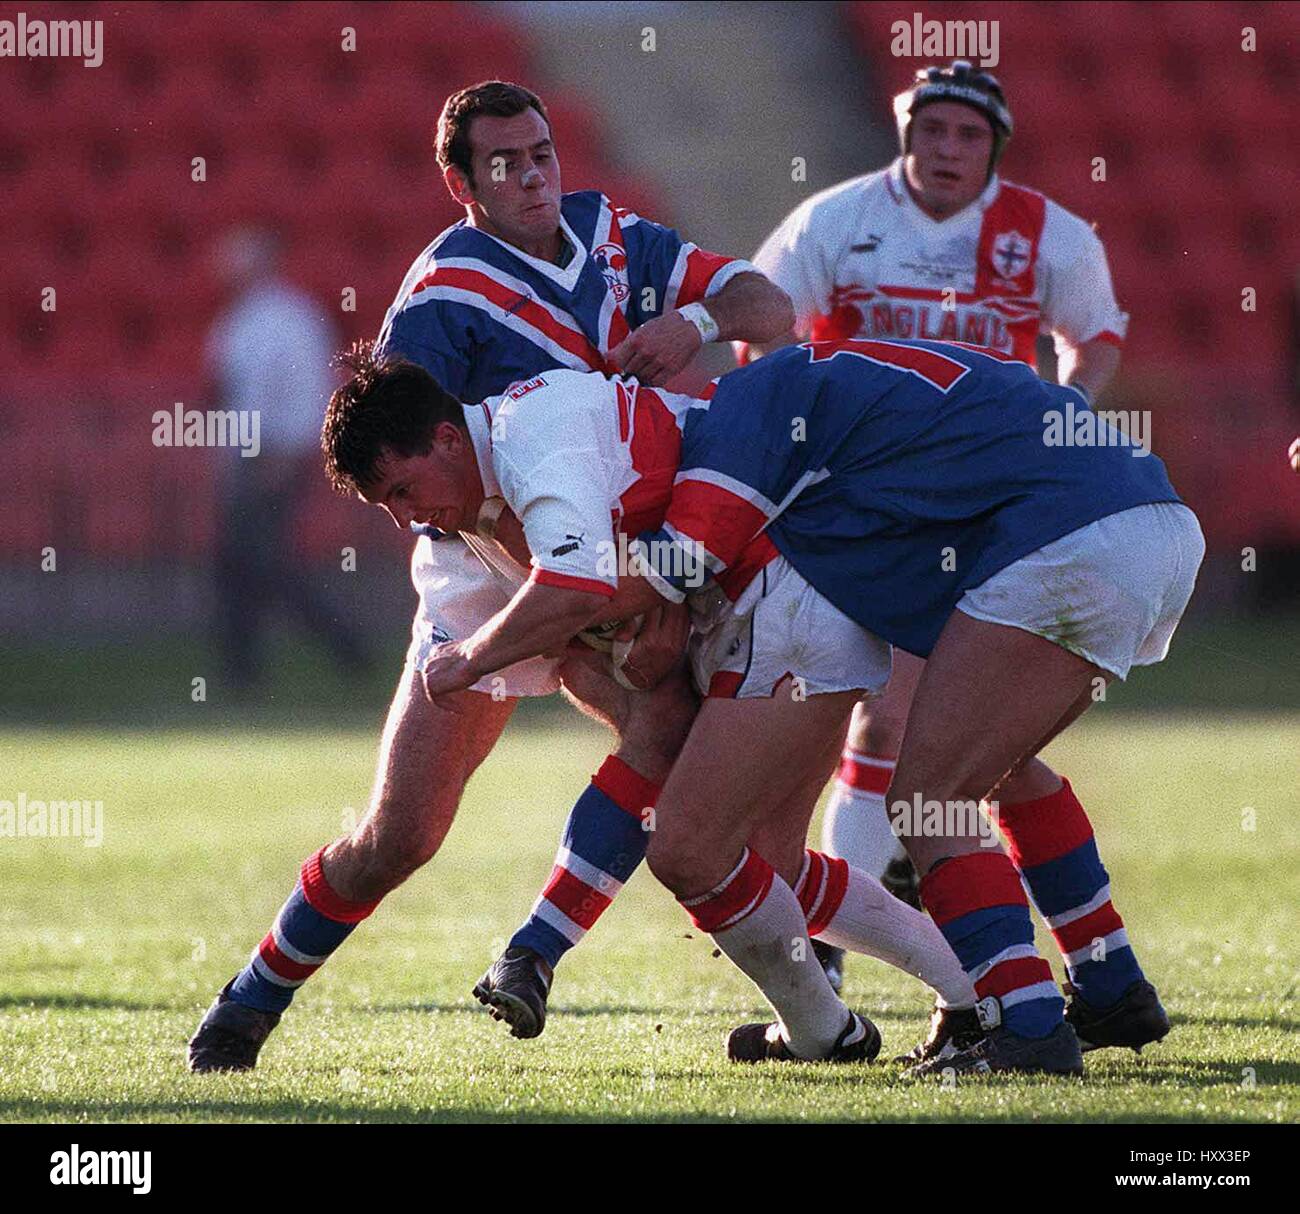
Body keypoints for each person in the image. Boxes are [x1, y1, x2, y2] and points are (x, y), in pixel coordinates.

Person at [186, 79, 802, 1071]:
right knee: (401, 834)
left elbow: (767, 306)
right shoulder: (439, 296)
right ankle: (250, 998)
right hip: (486, 570)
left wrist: (696, 325)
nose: (532, 176)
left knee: (696, 737)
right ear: (458, 182)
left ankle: (759, 998)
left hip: (608, 555)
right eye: (505, 162)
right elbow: (407, 477)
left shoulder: (610, 235)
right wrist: (581, 613)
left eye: (542, 153)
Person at [379, 336, 1201, 1073]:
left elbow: (662, 564)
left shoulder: (743, 414)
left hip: (1075, 535)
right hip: (1148, 519)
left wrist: (478, 656)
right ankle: (1109, 982)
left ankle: (1020, 1022)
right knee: (1000, 769)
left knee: (924, 798)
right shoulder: (805, 396)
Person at [745, 62, 1143, 1036]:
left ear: (994, 145)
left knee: (927, 749)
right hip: (864, 505)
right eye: (931, 131)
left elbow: (1092, 341)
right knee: (954, 747)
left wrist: (1060, 416)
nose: (947, 151)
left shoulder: (1048, 235)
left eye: (968, 134)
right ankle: (1105, 973)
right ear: (903, 133)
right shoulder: (832, 223)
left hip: (983, 513)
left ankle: (941, 979)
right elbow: (763, 334)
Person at [206, 226, 366, 688]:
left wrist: (286, 455)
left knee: (259, 563)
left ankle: (338, 649)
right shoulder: (236, 320)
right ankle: (248, 669)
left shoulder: (291, 318)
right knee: (246, 564)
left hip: (274, 458)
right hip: (245, 456)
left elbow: (306, 395)